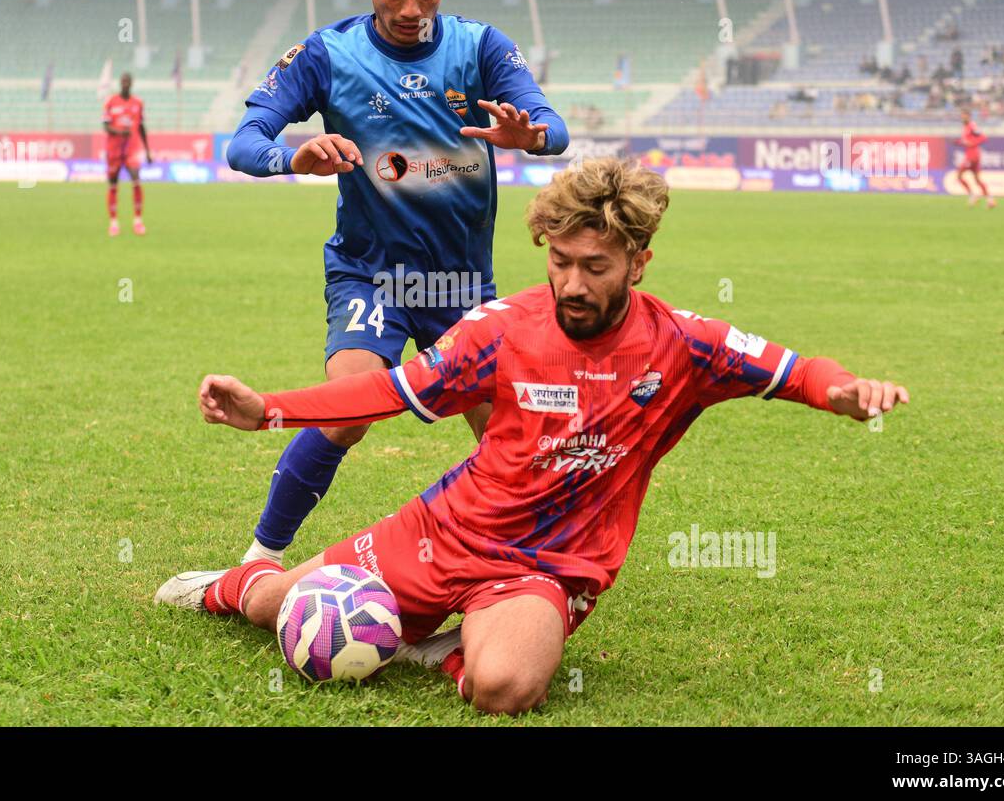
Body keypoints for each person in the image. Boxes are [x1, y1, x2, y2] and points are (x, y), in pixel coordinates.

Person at [156, 158, 911, 716]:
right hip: (443, 532)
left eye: (596, 266)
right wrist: (272, 409)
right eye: (559, 262)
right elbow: (390, 389)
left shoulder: (686, 345)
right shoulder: (500, 330)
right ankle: (223, 585)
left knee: (505, 686)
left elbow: (798, 369)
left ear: (638, 264)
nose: (573, 283)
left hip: (547, 565)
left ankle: (449, 646)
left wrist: (842, 393)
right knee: (282, 608)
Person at [224, 0, 569, 566]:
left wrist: (533, 136)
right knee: (348, 409)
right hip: (369, 274)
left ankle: (528, 569)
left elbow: (554, 125)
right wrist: (292, 156)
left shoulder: (482, 47)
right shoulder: (327, 53)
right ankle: (259, 559)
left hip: (461, 283)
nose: (412, 8)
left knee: (508, 435)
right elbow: (244, 142)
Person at [102, 72, 150, 237]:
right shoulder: (111, 102)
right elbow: (106, 126)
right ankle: (114, 222)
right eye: (123, 81)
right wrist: (120, 132)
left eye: (127, 81)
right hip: (114, 149)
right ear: (119, 83)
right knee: (113, 184)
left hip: (132, 149)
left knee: (136, 180)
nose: (125, 84)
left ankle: (138, 221)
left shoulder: (138, 103)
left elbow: (142, 127)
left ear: (131, 83)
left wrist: (148, 150)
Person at [954, 108, 994, 208]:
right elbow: (966, 141)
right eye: (961, 116)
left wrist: (972, 143)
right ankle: (990, 200)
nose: (962, 118)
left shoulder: (972, 126)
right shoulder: (966, 127)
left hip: (972, 156)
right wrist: (958, 142)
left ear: (968, 116)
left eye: (964, 116)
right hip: (972, 156)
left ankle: (972, 195)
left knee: (959, 175)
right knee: (977, 180)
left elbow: (983, 137)